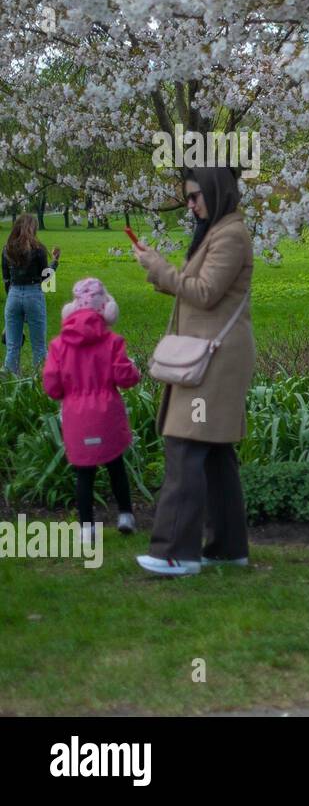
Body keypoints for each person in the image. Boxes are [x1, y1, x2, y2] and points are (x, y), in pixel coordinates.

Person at [132, 166, 256, 577]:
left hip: (214, 361)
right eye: (187, 197)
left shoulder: (230, 236)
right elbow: (195, 284)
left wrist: (159, 268)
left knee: (185, 445)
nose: (190, 204)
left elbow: (204, 292)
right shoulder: (219, 231)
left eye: (195, 196)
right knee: (215, 453)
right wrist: (159, 268)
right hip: (208, 357)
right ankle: (227, 548)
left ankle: (175, 552)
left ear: (217, 193)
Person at [42, 278, 141, 546]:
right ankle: (125, 516)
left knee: (83, 473)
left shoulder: (58, 345)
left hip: (77, 415)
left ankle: (86, 529)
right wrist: (134, 371)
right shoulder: (112, 341)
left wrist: (67, 393)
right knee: (115, 464)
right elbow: (124, 377)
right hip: (107, 412)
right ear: (106, 309)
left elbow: (52, 384)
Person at [3, 214, 60, 375]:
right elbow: (45, 277)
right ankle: (41, 384)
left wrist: (12, 301)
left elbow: (6, 278)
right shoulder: (38, 249)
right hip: (33, 294)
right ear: (32, 228)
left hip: (13, 295)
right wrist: (55, 262)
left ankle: (10, 385)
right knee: (39, 347)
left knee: (12, 347)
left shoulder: (7, 249)